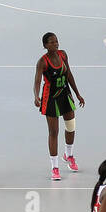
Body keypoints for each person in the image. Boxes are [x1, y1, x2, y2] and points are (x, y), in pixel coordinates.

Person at [33, 31, 85, 181]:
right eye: (51, 42)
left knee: (71, 126)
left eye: (56, 41)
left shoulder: (63, 55)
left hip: (65, 94)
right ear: (45, 45)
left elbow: (69, 74)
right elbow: (37, 81)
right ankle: (54, 168)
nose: (55, 44)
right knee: (53, 132)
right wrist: (36, 96)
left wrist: (77, 94)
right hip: (51, 98)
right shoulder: (42, 62)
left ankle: (69, 155)